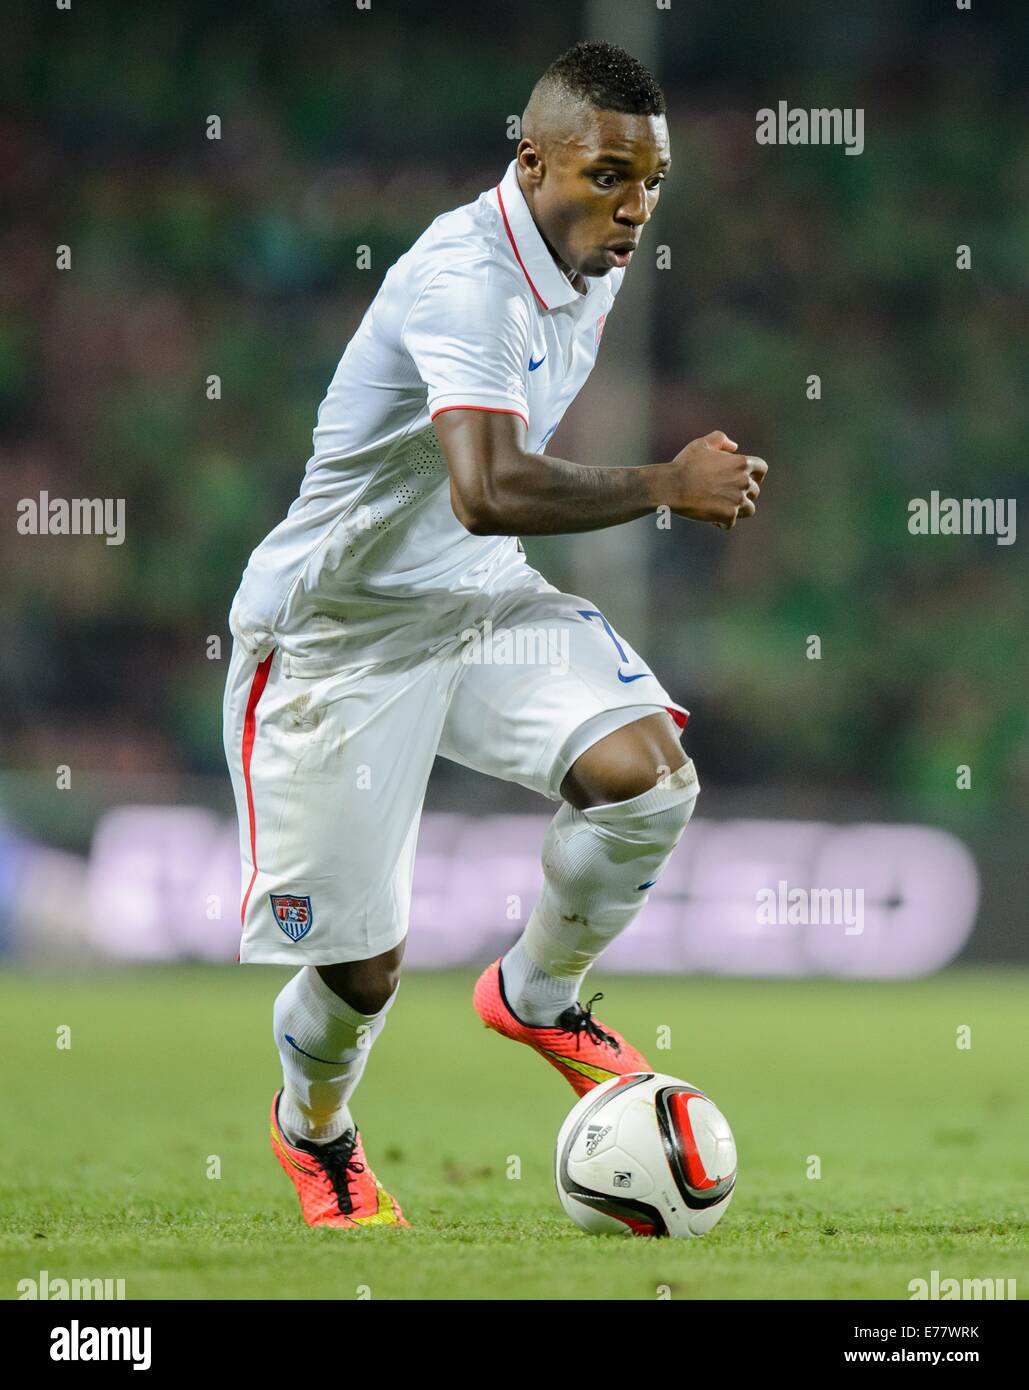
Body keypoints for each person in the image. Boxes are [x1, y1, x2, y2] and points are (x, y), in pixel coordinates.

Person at [222, 39, 767, 1229]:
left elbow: (474, 526)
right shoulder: (463, 277)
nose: (635, 210)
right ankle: (313, 1131)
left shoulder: (593, 253)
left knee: (646, 779)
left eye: (653, 183)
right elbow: (486, 485)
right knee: (360, 975)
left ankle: (538, 993)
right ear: (532, 162)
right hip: (336, 633)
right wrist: (666, 483)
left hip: (474, 600)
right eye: (610, 177)